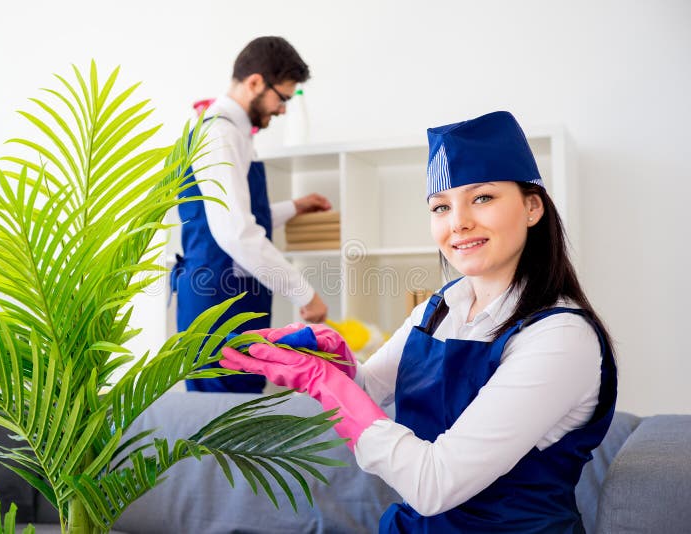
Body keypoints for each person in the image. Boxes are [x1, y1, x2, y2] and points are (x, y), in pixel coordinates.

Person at [221, 111, 617, 532]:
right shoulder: (441, 307)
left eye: (482, 198)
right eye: (441, 206)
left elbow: (434, 484)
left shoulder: (560, 337)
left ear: (532, 207)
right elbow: (368, 394)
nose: (458, 222)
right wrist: (336, 362)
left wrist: (325, 382)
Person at [174, 36, 331, 394]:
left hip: (232, 294)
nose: (283, 110)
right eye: (283, 98)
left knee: (238, 426)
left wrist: (296, 207)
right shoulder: (220, 134)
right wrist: (304, 294)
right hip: (218, 302)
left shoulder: (234, 135)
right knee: (221, 430)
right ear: (256, 82)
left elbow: (236, 217)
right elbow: (235, 232)